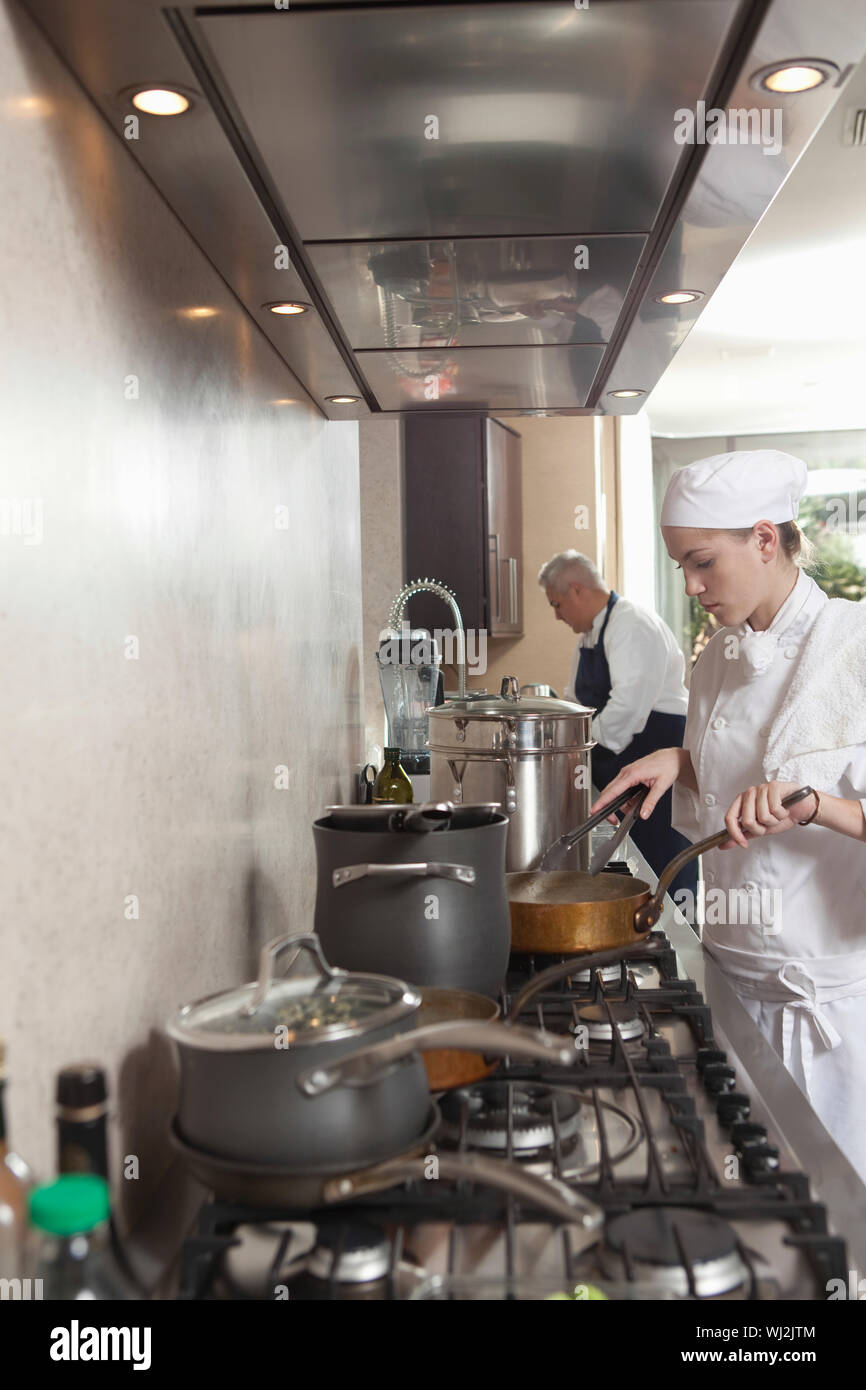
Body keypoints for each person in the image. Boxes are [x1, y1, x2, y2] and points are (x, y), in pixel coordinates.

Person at [591, 449, 866, 1179]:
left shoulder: (853, 648)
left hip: (826, 1009)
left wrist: (815, 806)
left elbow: (813, 797)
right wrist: (679, 760)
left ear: (766, 539)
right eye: (681, 563)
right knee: (751, 1202)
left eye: (703, 561)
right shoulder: (714, 658)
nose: (690, 584)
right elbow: (734, 774)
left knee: (836, 1222)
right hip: (731, 978)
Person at [538, 550, 698, 909]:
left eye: (557, 604)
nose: (557, 615)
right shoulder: (589, 636)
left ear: (576, 589)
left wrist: (579, 749)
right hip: (623, 762)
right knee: (634, 868)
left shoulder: (631, 624)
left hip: (655, 752)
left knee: (664, 862)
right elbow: (573, 701)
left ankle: (680, 946)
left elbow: (628, 709)